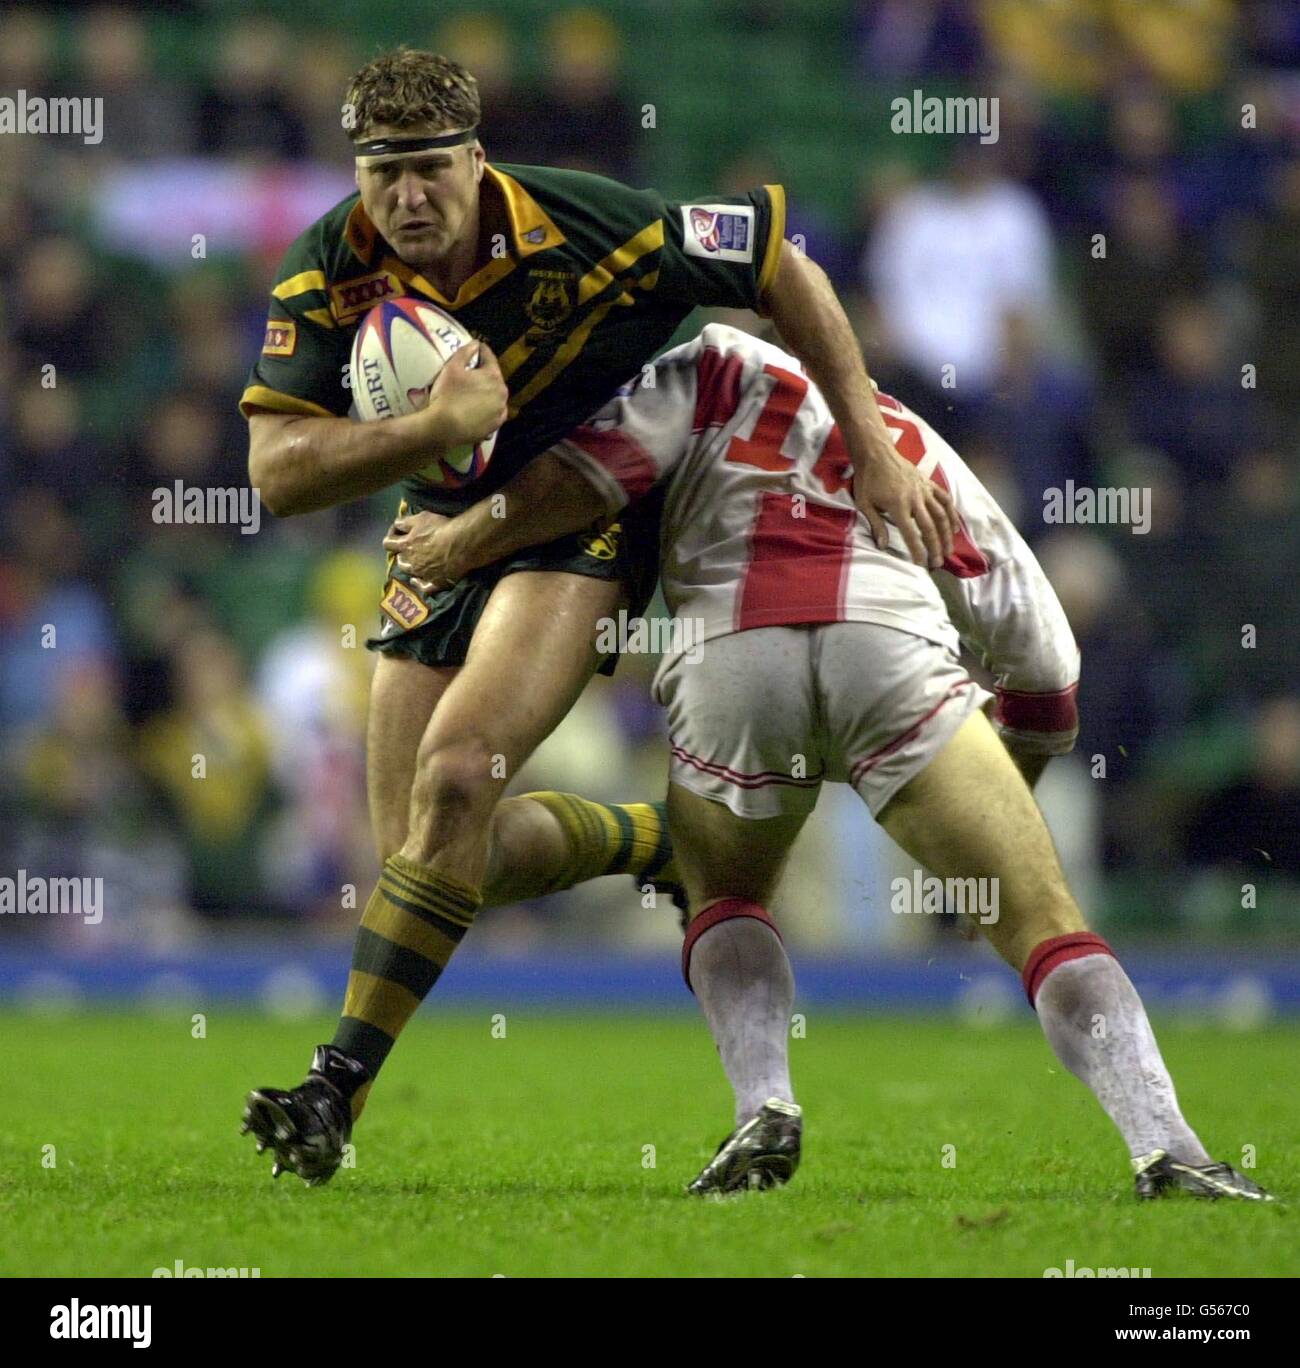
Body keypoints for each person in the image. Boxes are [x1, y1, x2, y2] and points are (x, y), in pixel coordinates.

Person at [239, 49, 954, 1185]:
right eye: (384, 176)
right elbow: (275, 474)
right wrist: (433, 430)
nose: (409, 199)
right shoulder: (329, 266)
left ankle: (330, 1094)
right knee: (422, 860)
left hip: (576, 515)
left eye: (430, 169)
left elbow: (781, 265)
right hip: (437, 534)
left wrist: (866, 443)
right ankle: (649, 839)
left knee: (462, 776)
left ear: (476, 161)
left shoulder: (589, 222)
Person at [389, 323, 1271, 1203]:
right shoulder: (911, 437)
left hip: (735, 652)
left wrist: (461, 538)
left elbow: (581, 483)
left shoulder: (699, 368)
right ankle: (1169, 1147)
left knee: (727, 896)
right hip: (888, 647)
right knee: (1046, 927)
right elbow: (1045, 672)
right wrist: (999, 823)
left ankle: (764, 1105)